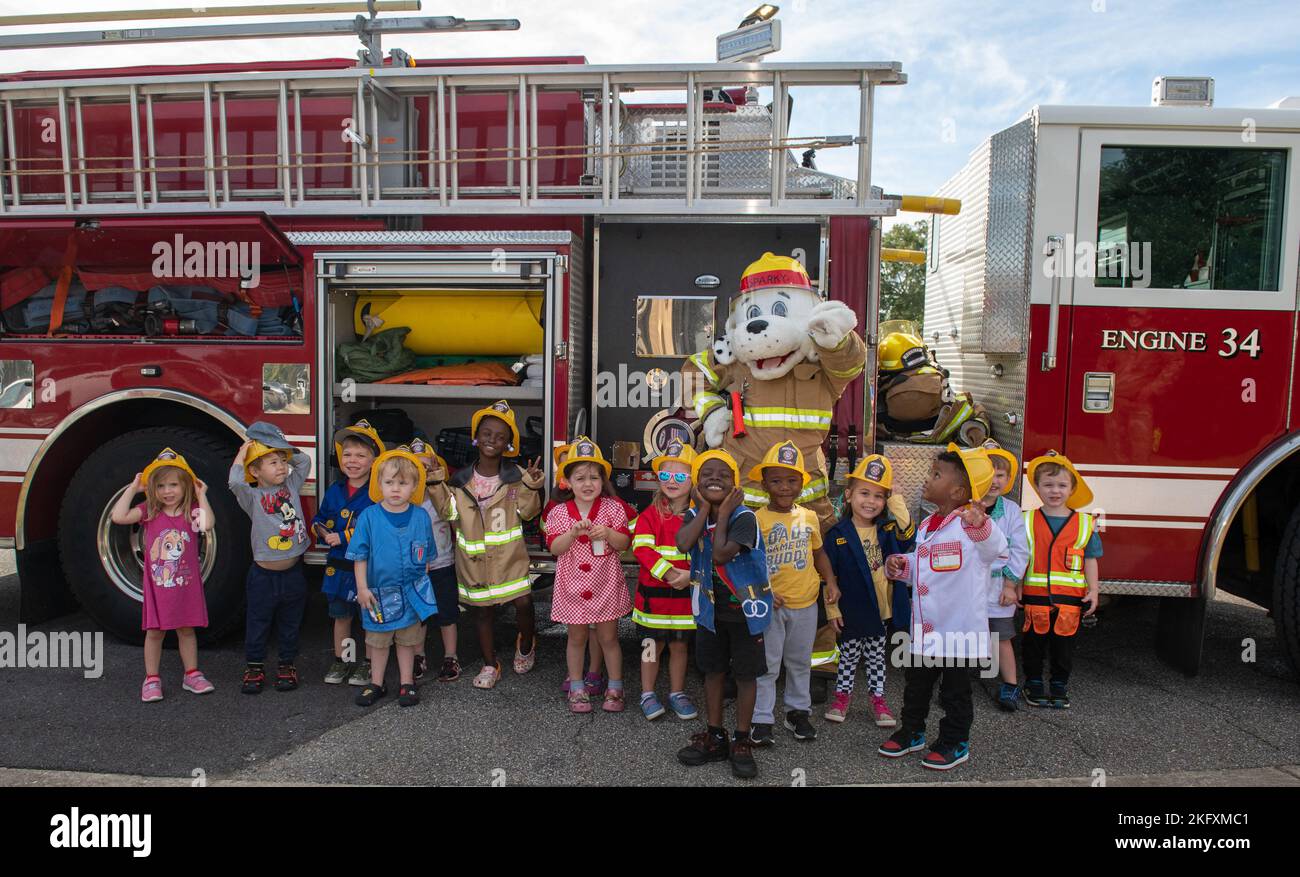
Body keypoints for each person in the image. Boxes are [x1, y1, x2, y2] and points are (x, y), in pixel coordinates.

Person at [879, 444, 1007, 770]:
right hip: (926, 627)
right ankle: (912, 731)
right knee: (916, 684)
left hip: (958, 629)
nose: (927, 479)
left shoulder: (970, 527)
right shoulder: (928, 526)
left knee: (955, 692)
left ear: (958, 491)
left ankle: (955, 742)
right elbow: (929, 565)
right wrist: (903, 565)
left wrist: (982, 526)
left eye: (935, 475)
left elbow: (997, 550)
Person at [424, 401, 545, 690]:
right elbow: (449, 514)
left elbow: (528, 513)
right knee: (483, 613)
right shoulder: (460, 480)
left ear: (509, 444)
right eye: (487, 433)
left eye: (500, 436)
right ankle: (491, 664)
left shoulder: (516, 477)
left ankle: (526, 642)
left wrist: (532, 487)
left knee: (524, 603)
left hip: (510, 559)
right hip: (473, 562)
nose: (492, 440)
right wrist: (435, 482)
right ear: (476, 437)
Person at [674, 449, 772, 780]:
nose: (714, 478)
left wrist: (726, 509)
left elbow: (719, 555)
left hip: (746, 614)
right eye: (707, 474)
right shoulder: (694, 515)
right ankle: (716, 735)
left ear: (735, 485)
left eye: (723, 475)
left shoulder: (744, 517)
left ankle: (742, 739)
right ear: (697, 483)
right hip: (710, 613)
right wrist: (703, 507)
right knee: (712, 672)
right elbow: (683, 544)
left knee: (745, 676)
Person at [750, 441, 841, 745]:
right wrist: (763, 591)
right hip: (772, 605)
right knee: (767, 664)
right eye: (776, 481)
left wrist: (830, 582)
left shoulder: (810, 517)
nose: (784, 487)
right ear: (764, 484)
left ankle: (797, 712)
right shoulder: (757, 520)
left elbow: (819, 554)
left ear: (802, 483)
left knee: (800, 661)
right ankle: (762, 718)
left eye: (791, 480)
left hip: (805, 604)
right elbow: (749, 563)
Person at [111, 448, 216, 702]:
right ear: (152, 489)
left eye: (173, 485)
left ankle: (191, 674)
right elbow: (118, 516)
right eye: (160, 486)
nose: (167, 491)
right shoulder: (149, 511)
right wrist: (133, 487)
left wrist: (202, 496)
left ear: (186, 486)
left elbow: (207, 524)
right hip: (158, 588)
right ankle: (151, 679)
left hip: (186, 587)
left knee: (186, 630)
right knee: (155, 632)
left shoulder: (192, 511)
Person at [823, 454, 915, 727]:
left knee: (876, 658)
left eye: (879, 496)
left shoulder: (887, 529)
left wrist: (896, 496)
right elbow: (829, 577)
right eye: (864, 493)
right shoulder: (837, 533)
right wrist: (832, 609)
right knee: (848, 657)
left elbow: (908, 532)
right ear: (848, 495)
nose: (871, 502)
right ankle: (841, 698)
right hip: (851, 607)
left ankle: (879, 700)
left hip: (880, 609)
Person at [545, 438, 634, 713]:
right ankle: (577, 685)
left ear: (602, 480)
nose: (588, 483)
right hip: (573, 586)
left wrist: (607, 533)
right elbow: (554, 549)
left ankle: (615, 687)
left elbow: (624, 543)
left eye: (594, 477)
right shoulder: (559, 512)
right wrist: (572, 534)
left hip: (605, 584)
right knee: (576, 638)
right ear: (567, 482)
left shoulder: (613, 508)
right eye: (580, 477)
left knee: (609, 638)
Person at [348, 446, 440, 707]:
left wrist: (423, 588)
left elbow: (426, 558)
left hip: (411, 593)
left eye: (403, 483)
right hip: (377, 594)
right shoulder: (369, 517)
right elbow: (359, 556)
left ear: (414, 486)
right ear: (379, 484)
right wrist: (362, 588)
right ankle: (376, 682)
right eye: (389, 482)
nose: (396, 488)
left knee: (407, 640)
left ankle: (407, 682)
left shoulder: (421, 517)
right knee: (378, 641)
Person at [229, 423, 312, 694]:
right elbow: (234, 481)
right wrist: (244, 452)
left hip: (293, 572)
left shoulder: (291, 484)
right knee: (258, 620)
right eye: (273, 462)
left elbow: (304, 461)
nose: (281, 467)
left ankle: (286, 664)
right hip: (263, 576)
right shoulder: (251, 496)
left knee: (291, 622)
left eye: (282, 461)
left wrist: (281, 445)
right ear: (255, 470)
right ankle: (254, 666)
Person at [1021, 451, 1101, 709]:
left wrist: (1094, 590)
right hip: (1035, 598)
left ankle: (1059, 684)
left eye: (1062, 485)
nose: (1055, 491)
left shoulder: (1085, 524)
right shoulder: (1026, 520)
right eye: (1048, 485)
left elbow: (1090, 559)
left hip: (1070, 600)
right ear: (1037, 488)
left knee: (1064, 647)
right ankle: (1033, 682)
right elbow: (1018, 557)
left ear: (1072, 488)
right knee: (1033, 645)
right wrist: (1013, 587)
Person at [313, 420, 383, 687]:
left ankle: (367, 663)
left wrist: (342, 536)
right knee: (341, 615)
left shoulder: (377, 494)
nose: (353, 461)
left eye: (361, 455)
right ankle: (342, 661)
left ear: (374, 460)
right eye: (348, 455)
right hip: (338, 565)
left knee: (368, 616)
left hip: (366, 568)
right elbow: (320, 518)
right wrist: (320, 530)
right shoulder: (334, 491)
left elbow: (374, 527)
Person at [631, 441, 698, 721]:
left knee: (680, 646)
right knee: (651, 646)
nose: (672, 481)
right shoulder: (650, 514)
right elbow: (642, 549)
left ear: (693, 480)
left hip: (683, 599)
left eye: (681, 476)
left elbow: (704, 552)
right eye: (666, 475)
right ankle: (647, 693)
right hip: (653, 598)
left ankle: (677, 693)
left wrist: (690, 575)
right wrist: (672, 574)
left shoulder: (698, 516)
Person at [978, 441, 1030, 711]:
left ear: (1008, 479)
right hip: (969, 589)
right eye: (989, 472)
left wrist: (1011, 585)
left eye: (1001, 475)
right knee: (960, 636)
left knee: (1001, 638)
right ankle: (953, 682)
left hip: (998, 589)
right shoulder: (965, 507)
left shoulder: (1011, 511)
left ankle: (1010, 685)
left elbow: (1020, 550)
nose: (995, 480)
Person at [409, 436, 461, 683]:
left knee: (447, 613)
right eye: (415, 467)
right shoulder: (404, 501)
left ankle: (451, 657)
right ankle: (418, 656)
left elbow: (456, 520)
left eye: (427, 467)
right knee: (418, 614)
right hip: (414, 569)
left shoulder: (444, 497)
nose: (422, 472)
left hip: (442, 565)